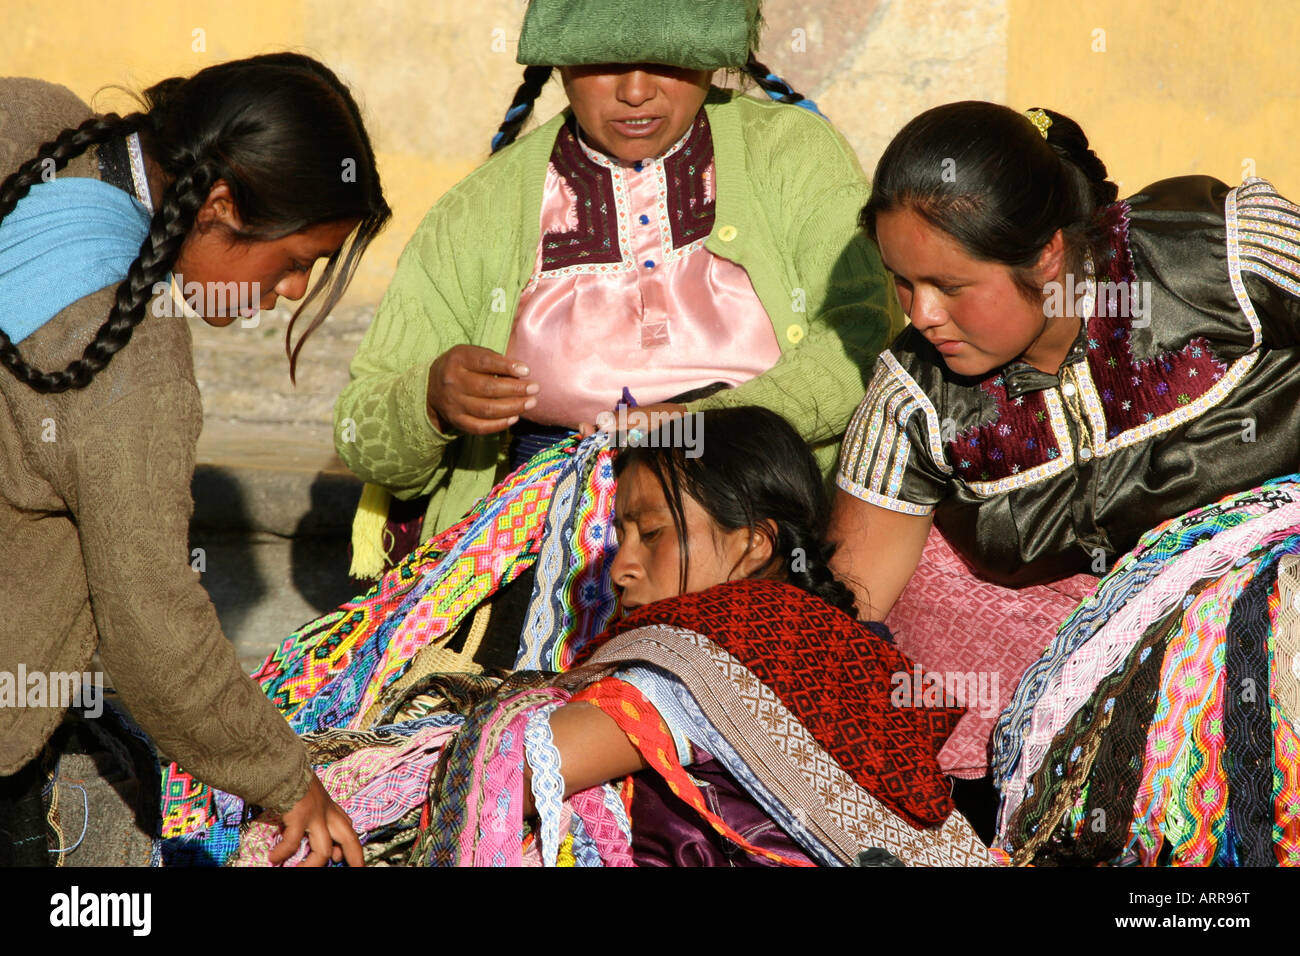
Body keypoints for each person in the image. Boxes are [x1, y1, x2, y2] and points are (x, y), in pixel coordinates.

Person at [187, 407, 995, 866]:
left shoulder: (706, 645)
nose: (624, 567)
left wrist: (357, 790)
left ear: (755, 542)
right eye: (619, 538)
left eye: (652, 534)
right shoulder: (833, 636)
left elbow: (526, 762)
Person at [829, 100, 1300, 854]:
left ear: (1047, 257)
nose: (919, 315)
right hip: (1098, 668)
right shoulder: (915, 400)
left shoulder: (1218, 253)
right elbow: (840, 611)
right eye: (900, 282)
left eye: (949, 285)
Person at [334, 0, 901, 576]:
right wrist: (432, 400)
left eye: (667, 60)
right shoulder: (481, 208)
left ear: (712, 57)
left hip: (748, 534)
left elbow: (858, 348)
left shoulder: (793, 155)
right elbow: (362, 433)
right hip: (536, 550)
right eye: (603, 62)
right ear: (558, 64)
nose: (635, 92)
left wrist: (692, 427)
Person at [0, 53, 390, 866]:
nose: (290, 291)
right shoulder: (132, 363)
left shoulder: (29, 117)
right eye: (294, 261)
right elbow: (152, 630)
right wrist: (290, 783)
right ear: (217, 204)